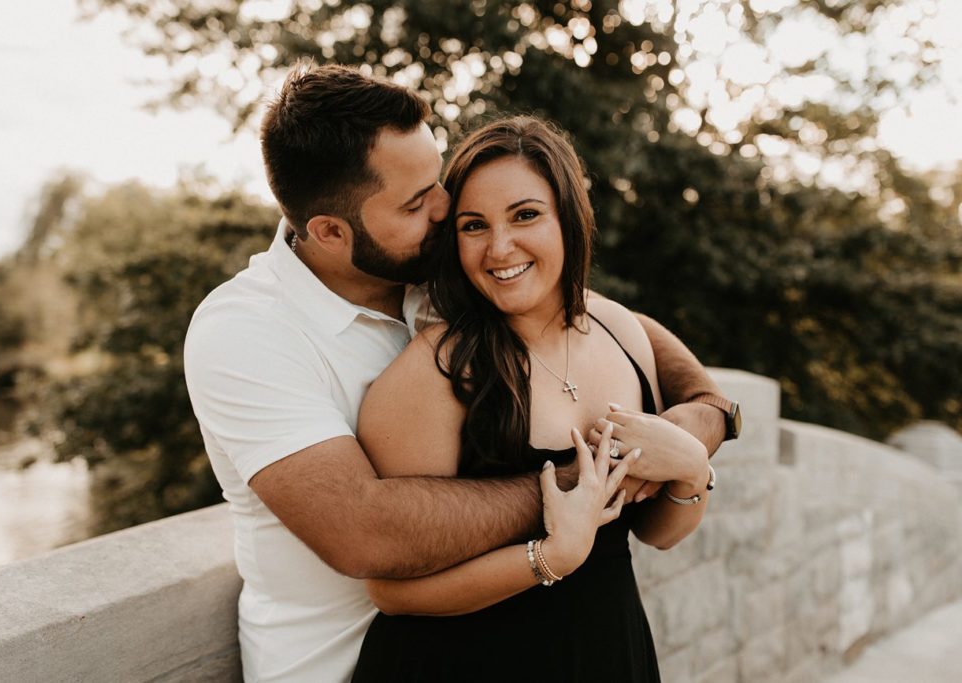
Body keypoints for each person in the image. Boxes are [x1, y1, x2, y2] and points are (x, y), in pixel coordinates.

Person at [184, 62, 734, 683]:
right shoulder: (247, 332)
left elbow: (600, 319)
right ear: (332, 232)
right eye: (418, 202)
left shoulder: (433, 273)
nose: (448, 208)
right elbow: (365, 535)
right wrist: (595, 473)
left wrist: (707, 413)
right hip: (339, 664)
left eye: (437, 180)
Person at [350, 116, 713, 681]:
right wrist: (548, 559)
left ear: (568, 216)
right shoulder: (434, 373)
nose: (499, 248)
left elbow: (652, 533)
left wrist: (693, 470)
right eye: (474, 226)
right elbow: (391, 591)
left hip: (606, 650)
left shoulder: (622, 330)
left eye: (525, 215)